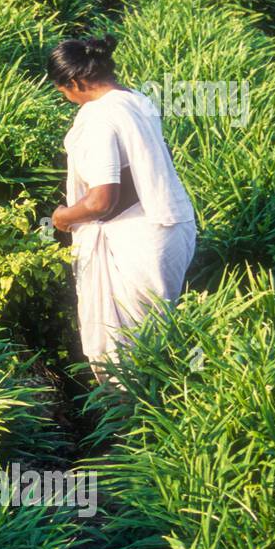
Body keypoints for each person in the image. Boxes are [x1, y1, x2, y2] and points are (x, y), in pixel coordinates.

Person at [47, 35, 197, 385]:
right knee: (153, 333)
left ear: (75, 83)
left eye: (62, 90)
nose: (65, 98)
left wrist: (62, 217)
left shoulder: (99, 120)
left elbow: (102, 201)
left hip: (135, 242)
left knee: (122, 345)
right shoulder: (136, 100)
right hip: (170, 226)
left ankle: (130, 425)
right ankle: (166, 406)